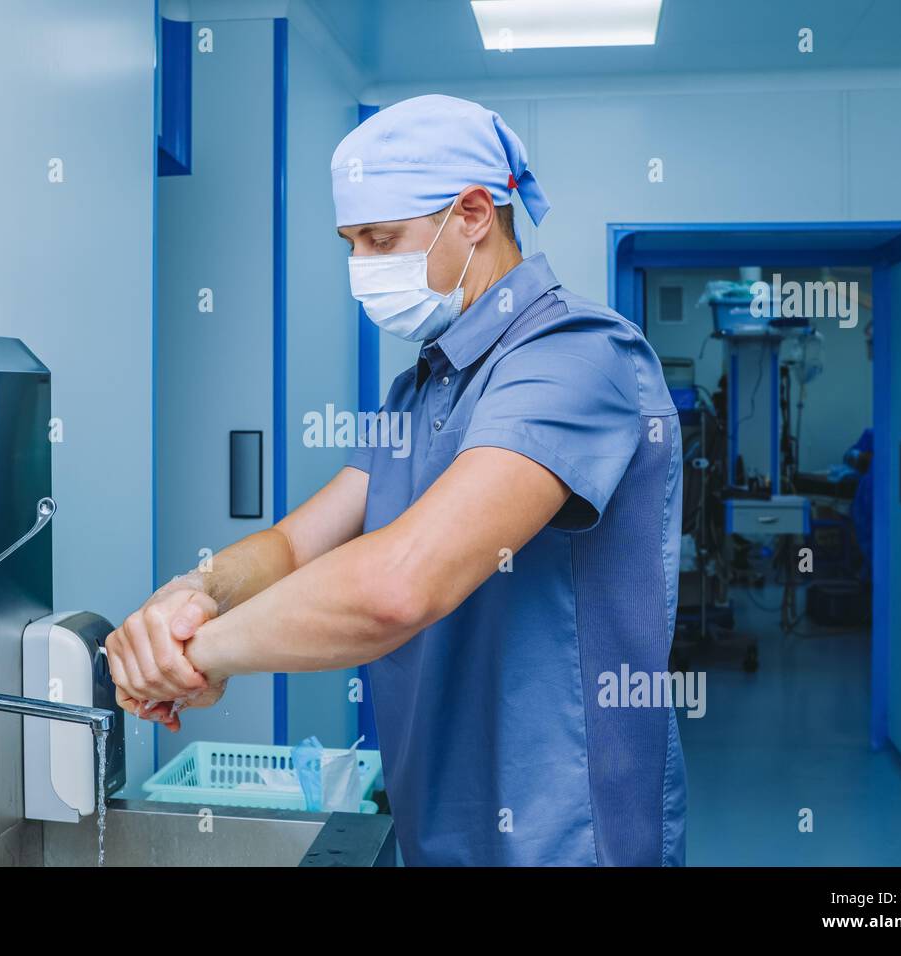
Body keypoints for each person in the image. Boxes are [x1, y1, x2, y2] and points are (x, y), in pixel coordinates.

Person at [106, 94, 686, 866]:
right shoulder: (424, 389)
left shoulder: (576, 358)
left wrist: (195, 655)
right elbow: (293, 544)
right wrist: (192, 593)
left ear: (474, 213)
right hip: (445, 818)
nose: (363, 267)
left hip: (565, 831)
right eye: (352, 242)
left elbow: (401, 584)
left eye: (382, 239)